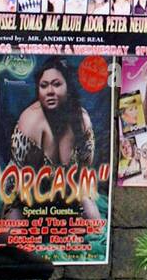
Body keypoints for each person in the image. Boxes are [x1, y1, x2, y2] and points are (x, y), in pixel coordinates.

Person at [8, 57, 101, 221]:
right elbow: (16, 181)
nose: (50, 91)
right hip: (28, 195)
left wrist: (78, 197)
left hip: (68, 192)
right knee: (11, 232)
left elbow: (86, 167)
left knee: (95, 222)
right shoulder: (30, 122)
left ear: (68, 88)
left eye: (56, 84)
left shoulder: (82, 120)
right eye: (44, 86)